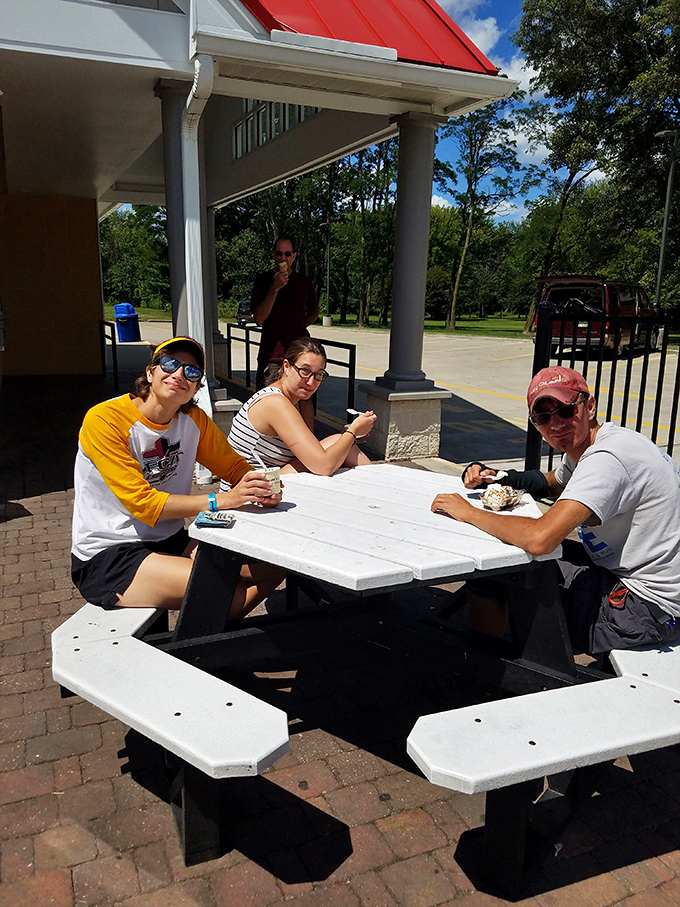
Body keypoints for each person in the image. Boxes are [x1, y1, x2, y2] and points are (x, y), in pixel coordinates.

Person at [431, 365, 680, 657]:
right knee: (518, 557)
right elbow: (553, 483)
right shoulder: (597, 444)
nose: (556, 424)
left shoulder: (606, 460)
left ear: (589, 406)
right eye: (543, 417)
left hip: (642, 610)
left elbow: (540, 538)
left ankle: (486, 669)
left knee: (499, 572)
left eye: (565, 410)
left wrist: (468, 512)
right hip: (640, 587)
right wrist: (499, 477)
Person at [71, 336, 283, 620]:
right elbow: (143, 505)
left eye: (192, 371)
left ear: (196, 386)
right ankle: (206, 642)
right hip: (110, 554)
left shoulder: (193, 419)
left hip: (170, 539)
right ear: (150, 372)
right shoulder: (106, 420)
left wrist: (266, 487)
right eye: (170, 364)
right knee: (224, 592)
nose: (179, 374)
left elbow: (234, 467)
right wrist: (221, 500)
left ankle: (214, 632)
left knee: (274, 567)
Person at [221, 337, 376, 482]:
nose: (311, 382)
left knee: (340, 442)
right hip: (248, 490)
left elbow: (313, 452)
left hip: (266, 481)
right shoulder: (275, 403)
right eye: (305, 371)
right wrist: (353, 431)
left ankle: (377, 485)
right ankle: (378, 486)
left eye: (319, 375)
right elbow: (323, 466)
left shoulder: (292, 400)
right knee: (342, 444)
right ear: (287, 366)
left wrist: (348, 438)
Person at [252, 236, 320, 397]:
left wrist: (300, 325)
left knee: (304, 399)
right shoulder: (263, 281)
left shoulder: (303, 282)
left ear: (294, 256)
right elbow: (259, 318)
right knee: (268, 399)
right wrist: (275, 288)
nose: (283, 257)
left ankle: (306, 424)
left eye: (287, 254)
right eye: (279, 253)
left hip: (299, 354)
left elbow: (315, 310)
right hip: (272, 355)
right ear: (274, 255)